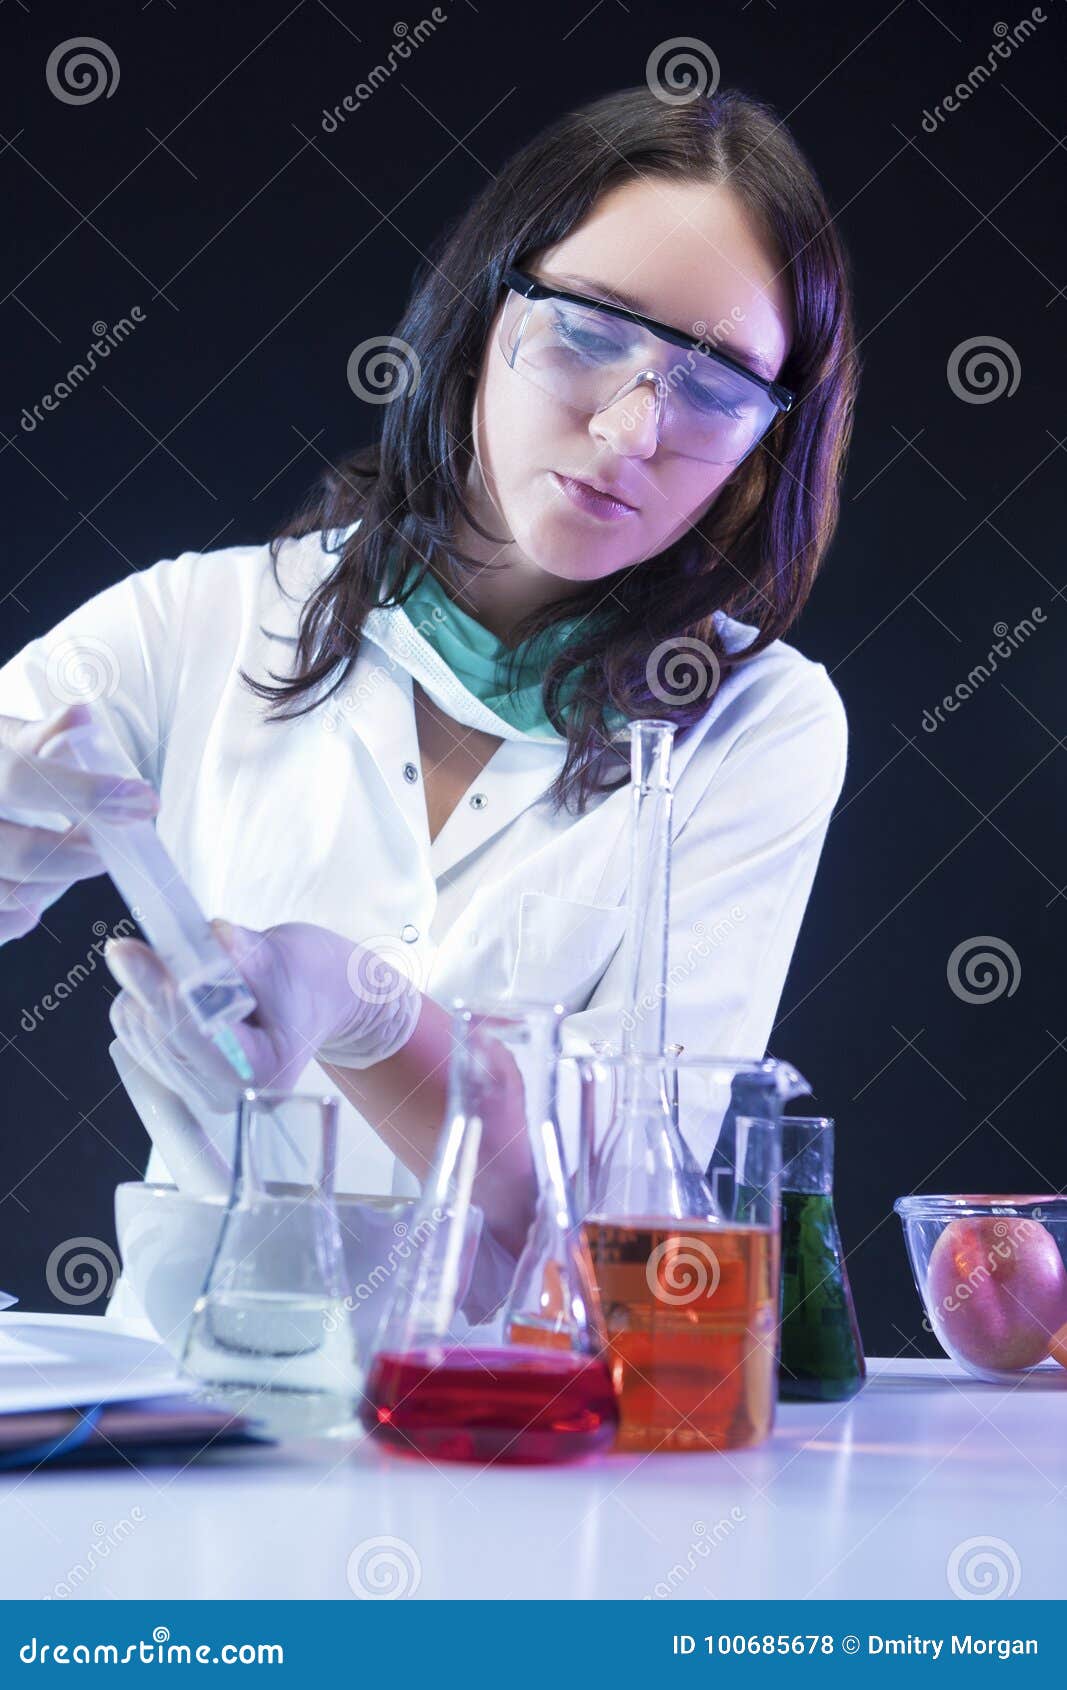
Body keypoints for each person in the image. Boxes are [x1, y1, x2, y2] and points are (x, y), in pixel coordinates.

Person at [0, 85, 854, 1324]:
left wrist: (369, 1014)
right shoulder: (199, 622)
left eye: (713, 389)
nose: (628, 433)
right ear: (480, 313)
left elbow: (618, 1191)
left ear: (764, 449)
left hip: (525, 1411)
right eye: (589, 332)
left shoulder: (758, 725)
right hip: (183, 1396)